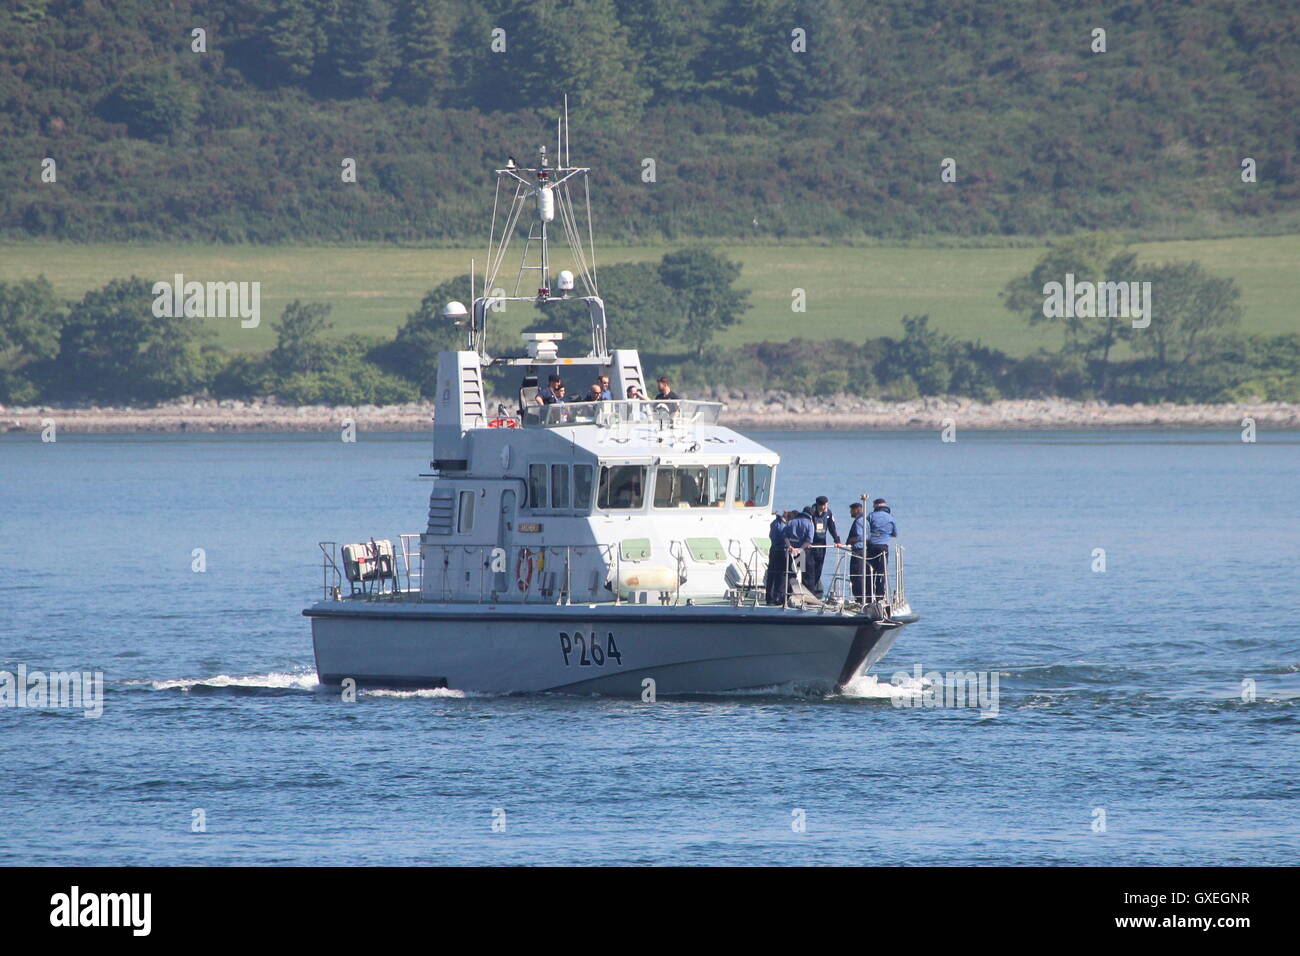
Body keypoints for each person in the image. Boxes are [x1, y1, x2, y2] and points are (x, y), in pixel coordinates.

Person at [805, 495, 840, 596]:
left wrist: (836, 540)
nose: (825, 507)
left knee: (818, 568)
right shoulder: (811, 513)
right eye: (823, 506)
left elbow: (832, 527)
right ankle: (809, 591)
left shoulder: (828, 513)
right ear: (818, 505)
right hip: (811, 544)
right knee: (810, 568)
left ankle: (814, 589)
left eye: (826, 505)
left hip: (821, 543)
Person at [865, 497, 897, 602]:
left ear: (875, 506)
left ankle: (868, 595)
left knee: (869, 571)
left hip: (872, 546)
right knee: (881, 571)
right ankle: (880, 595)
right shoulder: (890, 518)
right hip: (884, 547)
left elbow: (866, 530)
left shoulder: (870, 516)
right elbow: (894, 533)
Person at [783, 506, 815, 596]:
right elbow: (809, 540)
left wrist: (790, 546)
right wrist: (800, 549)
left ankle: (787, 596)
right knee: (808, 576)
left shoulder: (791, 522)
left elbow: (785, 536)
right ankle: (808, 598)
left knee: (790, 575)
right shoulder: (809, 523)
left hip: (791, 552)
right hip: (804, 553)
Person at [764, 510, 789, 605]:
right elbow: (783, 538)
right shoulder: (782, 526)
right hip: (780, 551)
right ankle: (777, 597)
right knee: (780, 575)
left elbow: (772, 536)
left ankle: (769, 597)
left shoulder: (774, 523)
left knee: (771, 575)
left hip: (773, 550)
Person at [845, 501, 867, 602]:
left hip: (858, 551)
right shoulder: (865, 520)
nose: (850, 513)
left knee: (856, 575)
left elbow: (859, 537)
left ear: (857, 510)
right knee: (861, 575)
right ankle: (863, 597)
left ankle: (859, 599)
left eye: (851, 510)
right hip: (863, 550)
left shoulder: (858, 521)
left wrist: (849, 541)